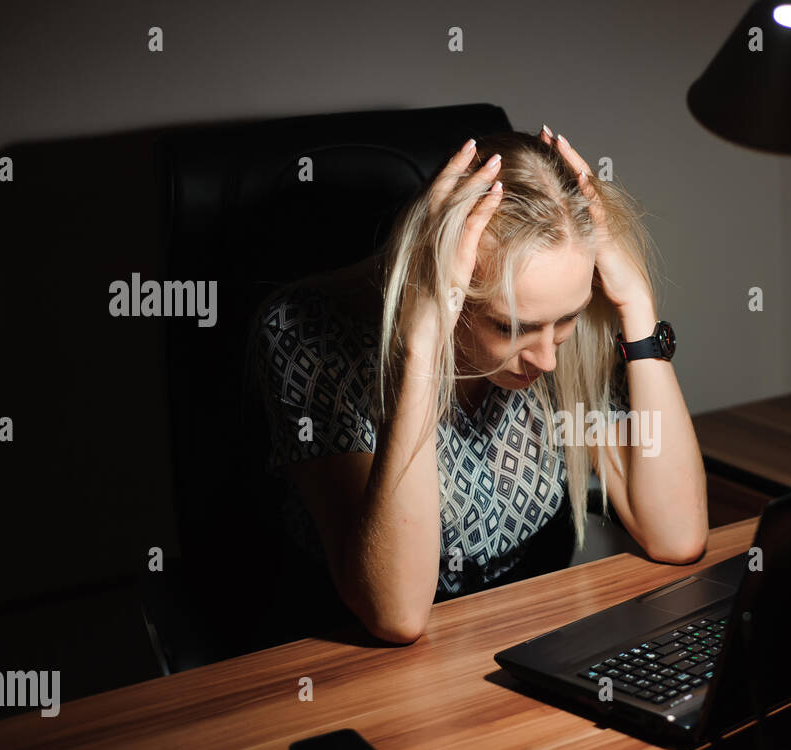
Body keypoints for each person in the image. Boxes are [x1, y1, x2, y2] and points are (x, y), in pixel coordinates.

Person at [248, 127, 708, 644]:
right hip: (351, 670)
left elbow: (678, 536)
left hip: (524, 645)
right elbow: (395, 615)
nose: (546, 358)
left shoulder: (567, 342)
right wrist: (423, 346)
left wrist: (637, 310)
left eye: (567, 317)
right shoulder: (305, 332)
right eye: (510, 327)